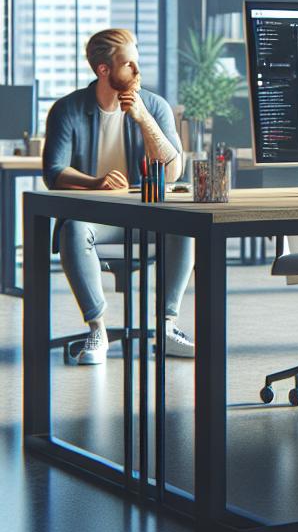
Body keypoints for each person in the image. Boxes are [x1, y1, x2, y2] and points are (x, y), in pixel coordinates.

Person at [42, 29, 195, 365]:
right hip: (96, 220)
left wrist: (143, 119)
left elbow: (173, 172)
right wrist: (97, 183)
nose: (138, 73)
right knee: (74, 228)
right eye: (129, 65)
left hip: (144, 216)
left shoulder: (154, 105)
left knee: (185, 226)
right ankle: (97, 331)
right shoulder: (67, 110)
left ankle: (166, 327)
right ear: (104, 70)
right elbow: (54, 172)